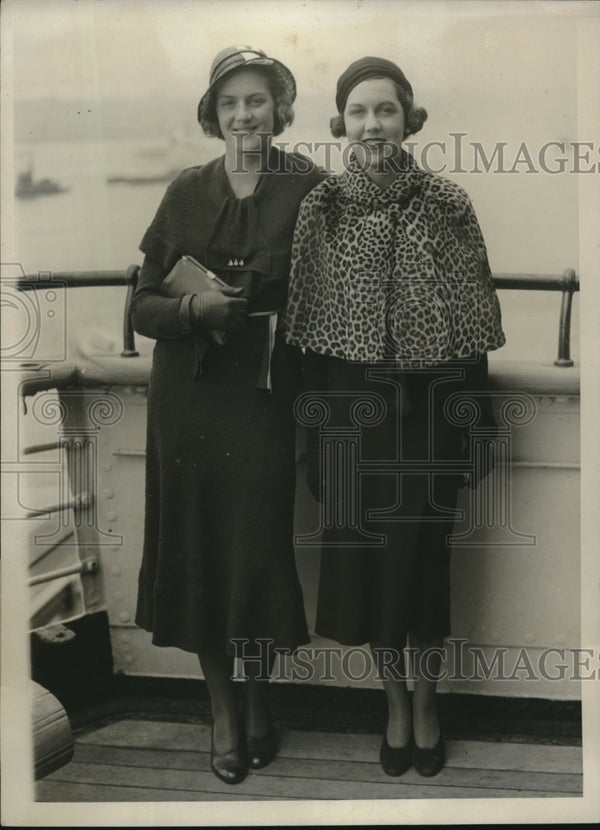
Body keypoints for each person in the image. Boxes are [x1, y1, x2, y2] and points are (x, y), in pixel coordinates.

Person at [285, 57, 505, 778]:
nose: (372, 124)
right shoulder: (323, 208)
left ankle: (428, 703)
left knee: (422, 569)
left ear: (410, 120)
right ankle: (392, 706)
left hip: (430, 412)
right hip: (352, 415)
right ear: (340, 125)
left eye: (385, 110)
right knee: (367, 571)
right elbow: (311, 337)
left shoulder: (446, 203)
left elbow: (472, 330)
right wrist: (315, 438)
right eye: (358, 112)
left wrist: (474, 432)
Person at [131, 46, 324, 785]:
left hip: (267, 398)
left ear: (279, 109)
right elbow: (142, 305)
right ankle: (222, 710)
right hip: (189, 399)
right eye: (232, 103)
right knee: (201, 554)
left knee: (256, 553)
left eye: (258, 101)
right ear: (213, 116)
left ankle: (260, 700)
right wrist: (192, 307)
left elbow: (336, 290)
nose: (245, 114)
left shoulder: (309, 186)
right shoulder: (185, 192)